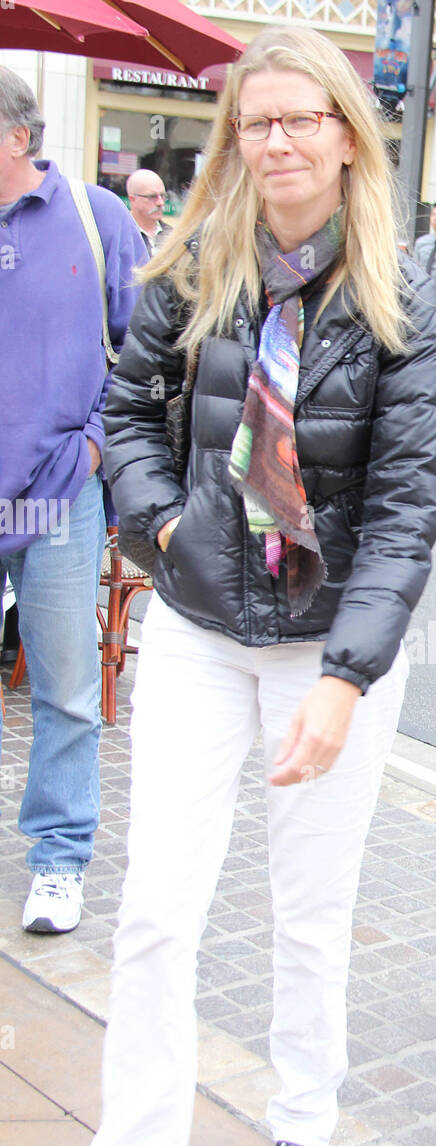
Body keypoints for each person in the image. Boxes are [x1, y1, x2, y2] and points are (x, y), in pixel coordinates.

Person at [29, 24, 436, 1146]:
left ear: (344, 133)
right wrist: (162, 531)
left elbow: (410, 508)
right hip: (203, 634)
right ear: (236, 139)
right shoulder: (195, 265)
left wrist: (345, 677)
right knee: (158, 910)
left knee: (308, 912)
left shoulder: (403, 296)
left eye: (300, 119)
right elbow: (119, 406)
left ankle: (303, 1120)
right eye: (255, 122)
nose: (277, 141)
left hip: (327, 647)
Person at [0, 67, 145, 936]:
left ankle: (58, 859)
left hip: (55, 500)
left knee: (63, 688)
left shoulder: (96, 218)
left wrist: (92, 444)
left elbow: (142, 353)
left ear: (17, 135)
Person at [125, 168, 169, 255]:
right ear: (133, 199)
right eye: (152, 197)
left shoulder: (173, 236)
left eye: (163, 195)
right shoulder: (121, 235)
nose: (160, 202)